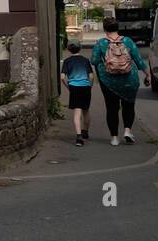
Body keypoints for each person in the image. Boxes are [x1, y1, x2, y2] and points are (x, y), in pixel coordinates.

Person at [92, 17, 150, 146]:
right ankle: (128, 131)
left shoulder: (100, 43)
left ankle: (114, 138)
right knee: (128, 105)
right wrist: (148, 74)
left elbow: (94, 61)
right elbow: (138, 60)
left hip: (109, 81)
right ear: (117, 27)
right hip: (129, 79)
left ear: (104, 28)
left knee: (111, 108)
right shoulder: (128, 41)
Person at [60, 42, 94, 146]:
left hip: (74, 87)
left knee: (77, 112)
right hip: (86, 86)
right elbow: (91, 76)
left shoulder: (67, 61)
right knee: (86, 110)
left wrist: (69, 87)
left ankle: (79, 137)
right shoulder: (85, 60)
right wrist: (90, 86)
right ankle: (86, 132)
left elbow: (62, 77)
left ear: (69, 49)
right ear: (80, 48)